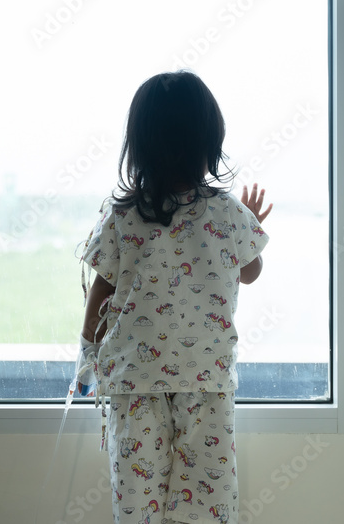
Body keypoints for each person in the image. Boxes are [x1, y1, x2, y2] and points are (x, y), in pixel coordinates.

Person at [78, 70, 272, 524]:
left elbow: (100, 293)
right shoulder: (226, 212)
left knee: (138, 503)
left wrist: (87, 353)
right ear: (209, 141)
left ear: (140, 146)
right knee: (208, 505)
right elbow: (251, 272)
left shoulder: (122, 215)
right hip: (205, 381)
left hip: (135, 383)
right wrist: (248, 223)